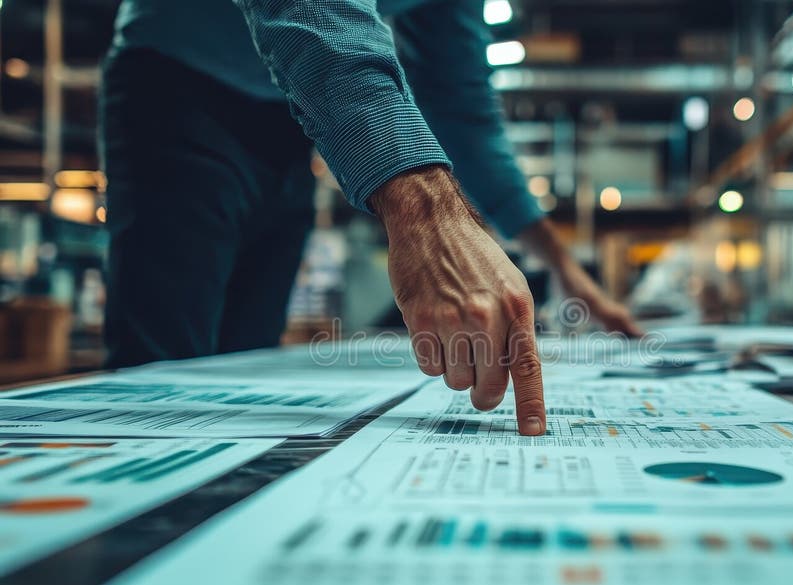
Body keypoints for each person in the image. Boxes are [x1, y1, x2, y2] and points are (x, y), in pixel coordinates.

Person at [100, 0, 642, 437]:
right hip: (176, 88)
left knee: (240, 377)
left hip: (291, 120)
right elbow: (315, 16)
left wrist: (565, 268)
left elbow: (461, 110)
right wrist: (426, 211)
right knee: (161, 383)